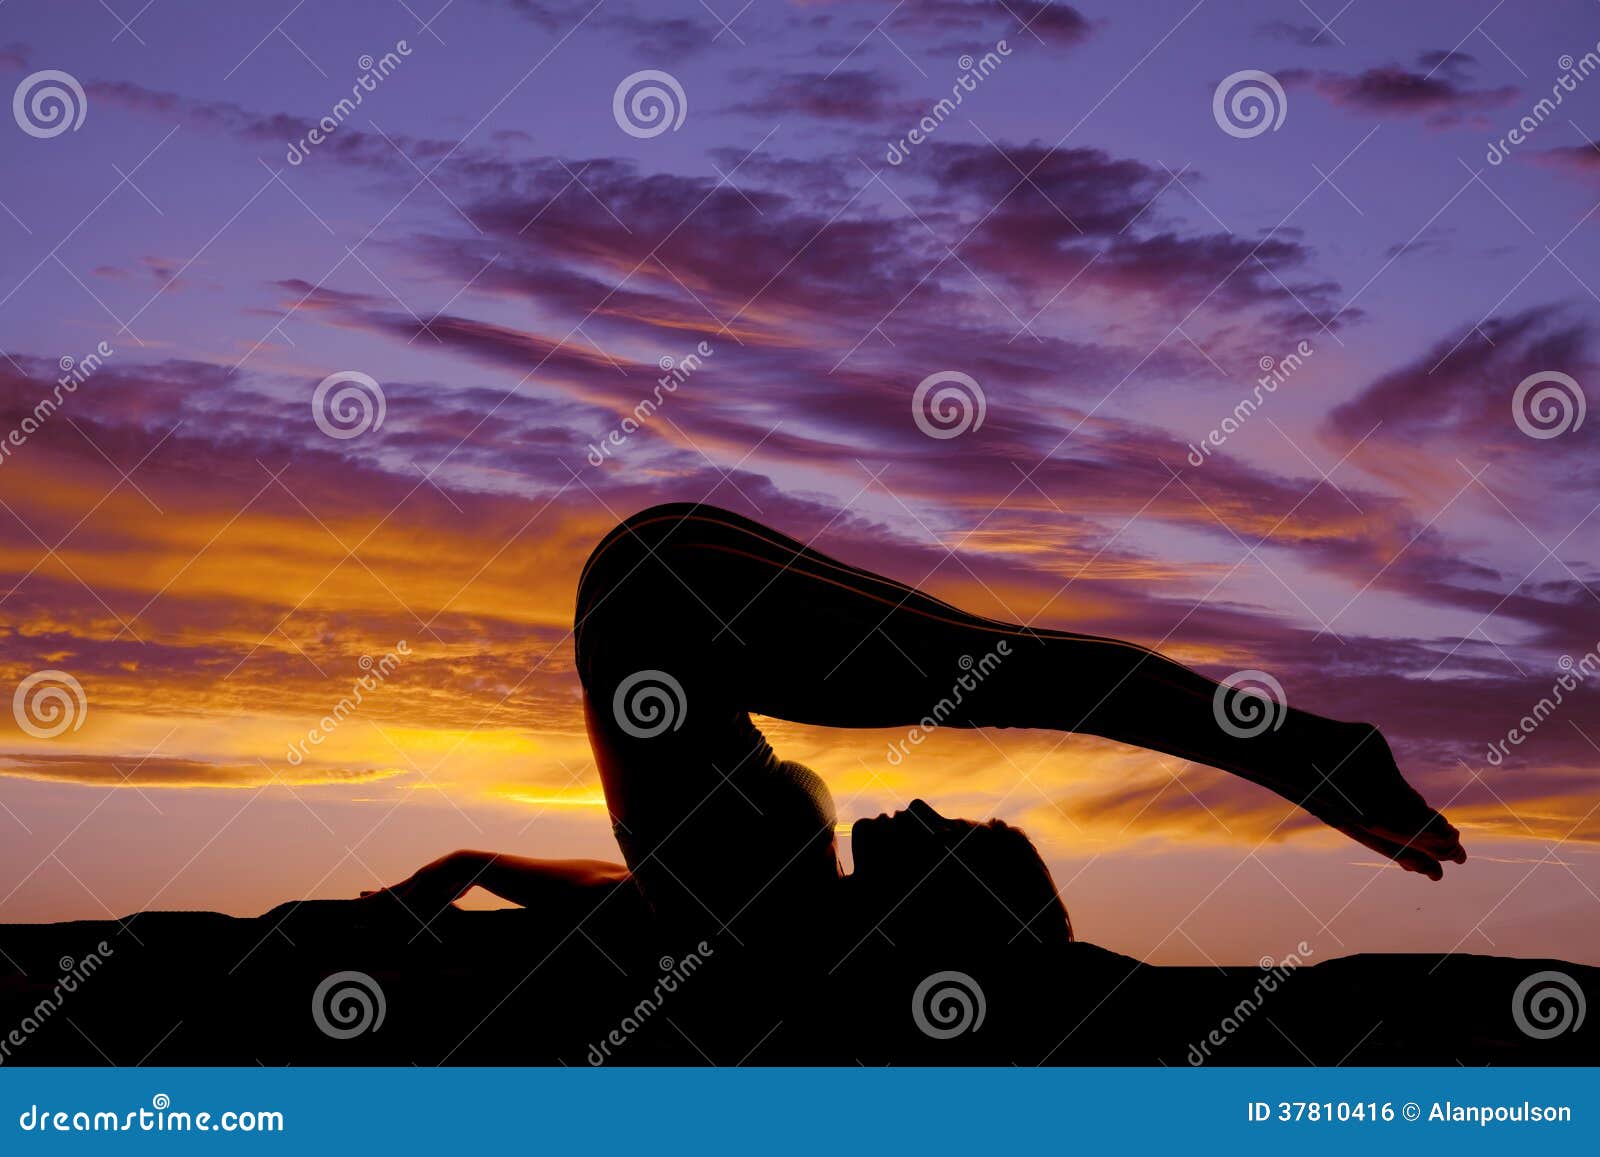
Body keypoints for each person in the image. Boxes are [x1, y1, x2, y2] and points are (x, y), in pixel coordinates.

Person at [368, 502, 1465, 954]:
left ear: (940, 918)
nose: (933, 808)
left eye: (960, 842)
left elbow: (611, 902)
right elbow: (619, 894)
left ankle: (1311, 754)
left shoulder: (768, 942)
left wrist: (472, 866)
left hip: (668, 591)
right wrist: (471, 866)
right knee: (1009, 668)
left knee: (1020, 675)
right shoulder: (775, 909)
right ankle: (1307, 755)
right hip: (672, 577)